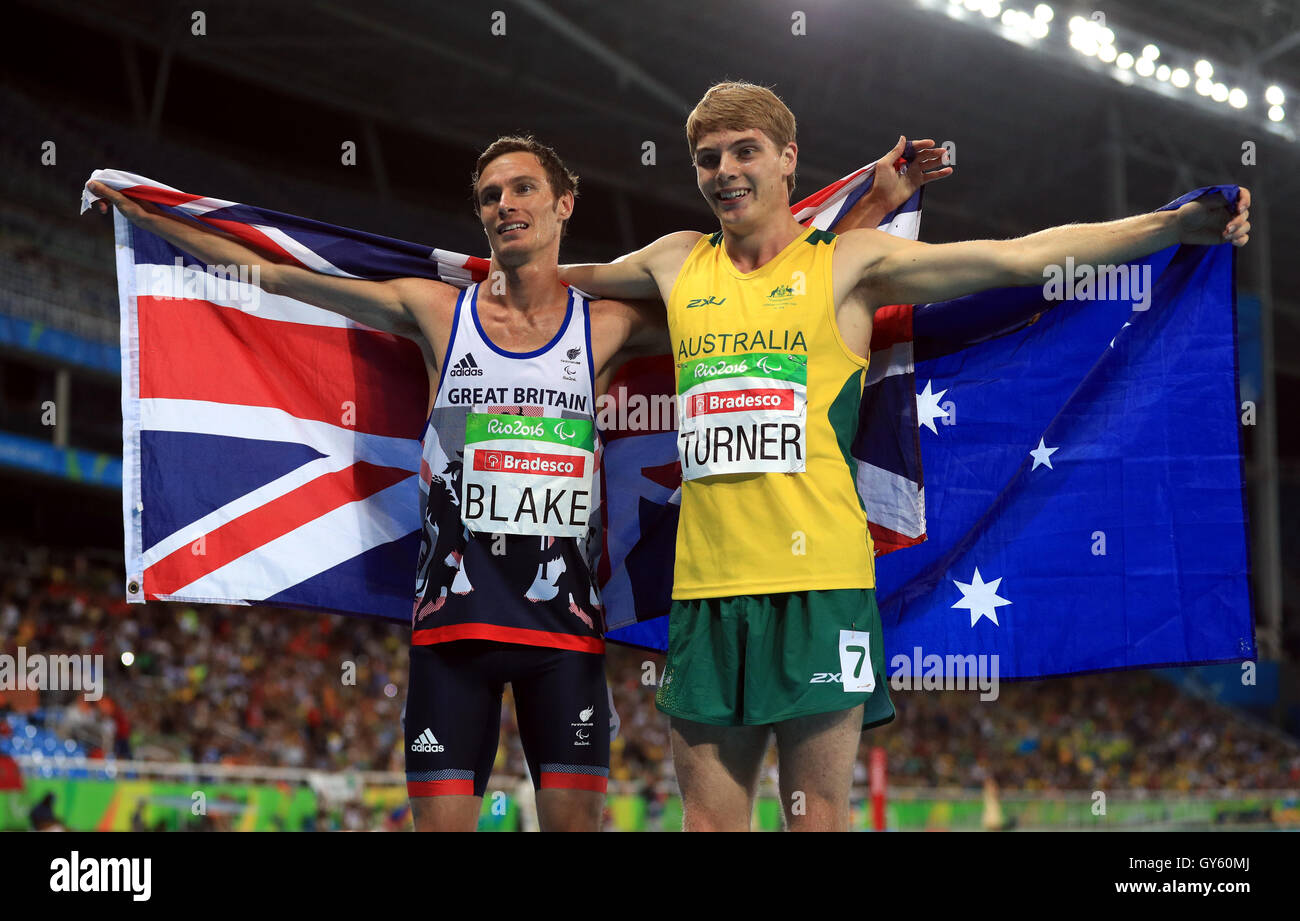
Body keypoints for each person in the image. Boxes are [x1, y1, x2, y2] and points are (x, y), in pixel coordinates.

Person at [88, 130, 941, 831]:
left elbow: (767, 287)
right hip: (449, 633)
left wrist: (872, 201)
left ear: (563, 205)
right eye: (491, 196)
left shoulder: (605, 324)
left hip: (564, 638)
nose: (506, 206)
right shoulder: (436, 311)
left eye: (524, 189)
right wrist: (154, 216)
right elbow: (276, 276)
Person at [560, 80, 1251, 831]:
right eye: (706, 158)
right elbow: (534, 295)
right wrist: (449, 282)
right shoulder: (674, 261)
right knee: (709, 823)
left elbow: (1021, 258)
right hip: (704, 589)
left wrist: (1173, 225)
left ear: (788, 160)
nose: (723, 169)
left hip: (821, 584)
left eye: (745, 151)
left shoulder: (850, 262)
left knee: (817, 816)